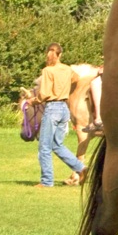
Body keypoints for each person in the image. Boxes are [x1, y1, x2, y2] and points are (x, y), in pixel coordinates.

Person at [35, 43, 86, 188]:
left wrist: (34, 101)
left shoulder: (47, 71)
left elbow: (44, 94)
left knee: (44, 146)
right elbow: (76, 78)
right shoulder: (67, 69)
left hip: (52, 108)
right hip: (64, 109)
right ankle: (81, 169)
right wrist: (66, 89)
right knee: (57, 145)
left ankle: (46, 181)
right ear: (60, 55)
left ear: (48, 54)